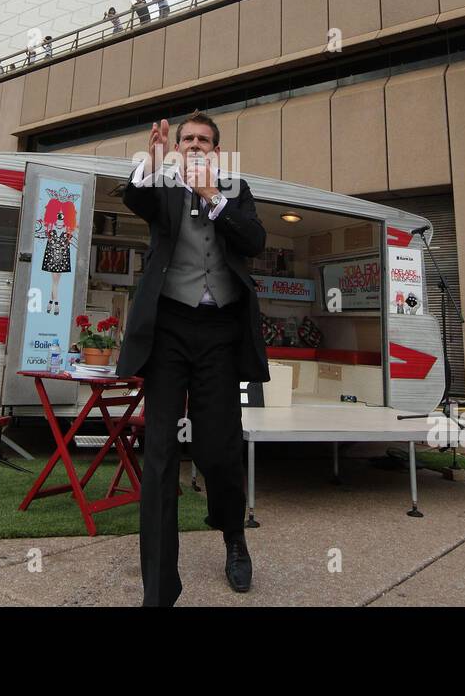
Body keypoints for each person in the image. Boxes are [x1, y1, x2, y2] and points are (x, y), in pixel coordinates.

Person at [118, 111, 267, 606]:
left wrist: (210, 194)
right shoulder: (161, 186)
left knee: (219, 449)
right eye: (188, 140)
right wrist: (155, 161)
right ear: (177, 147)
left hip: (221, 331)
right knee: (159, 454)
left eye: (205, 140)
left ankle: (233, 534)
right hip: (170, 331)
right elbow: (135, 196)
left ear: (217, 151)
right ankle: (159, 591)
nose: (196, 146)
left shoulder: (235, 190)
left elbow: (255, 241)